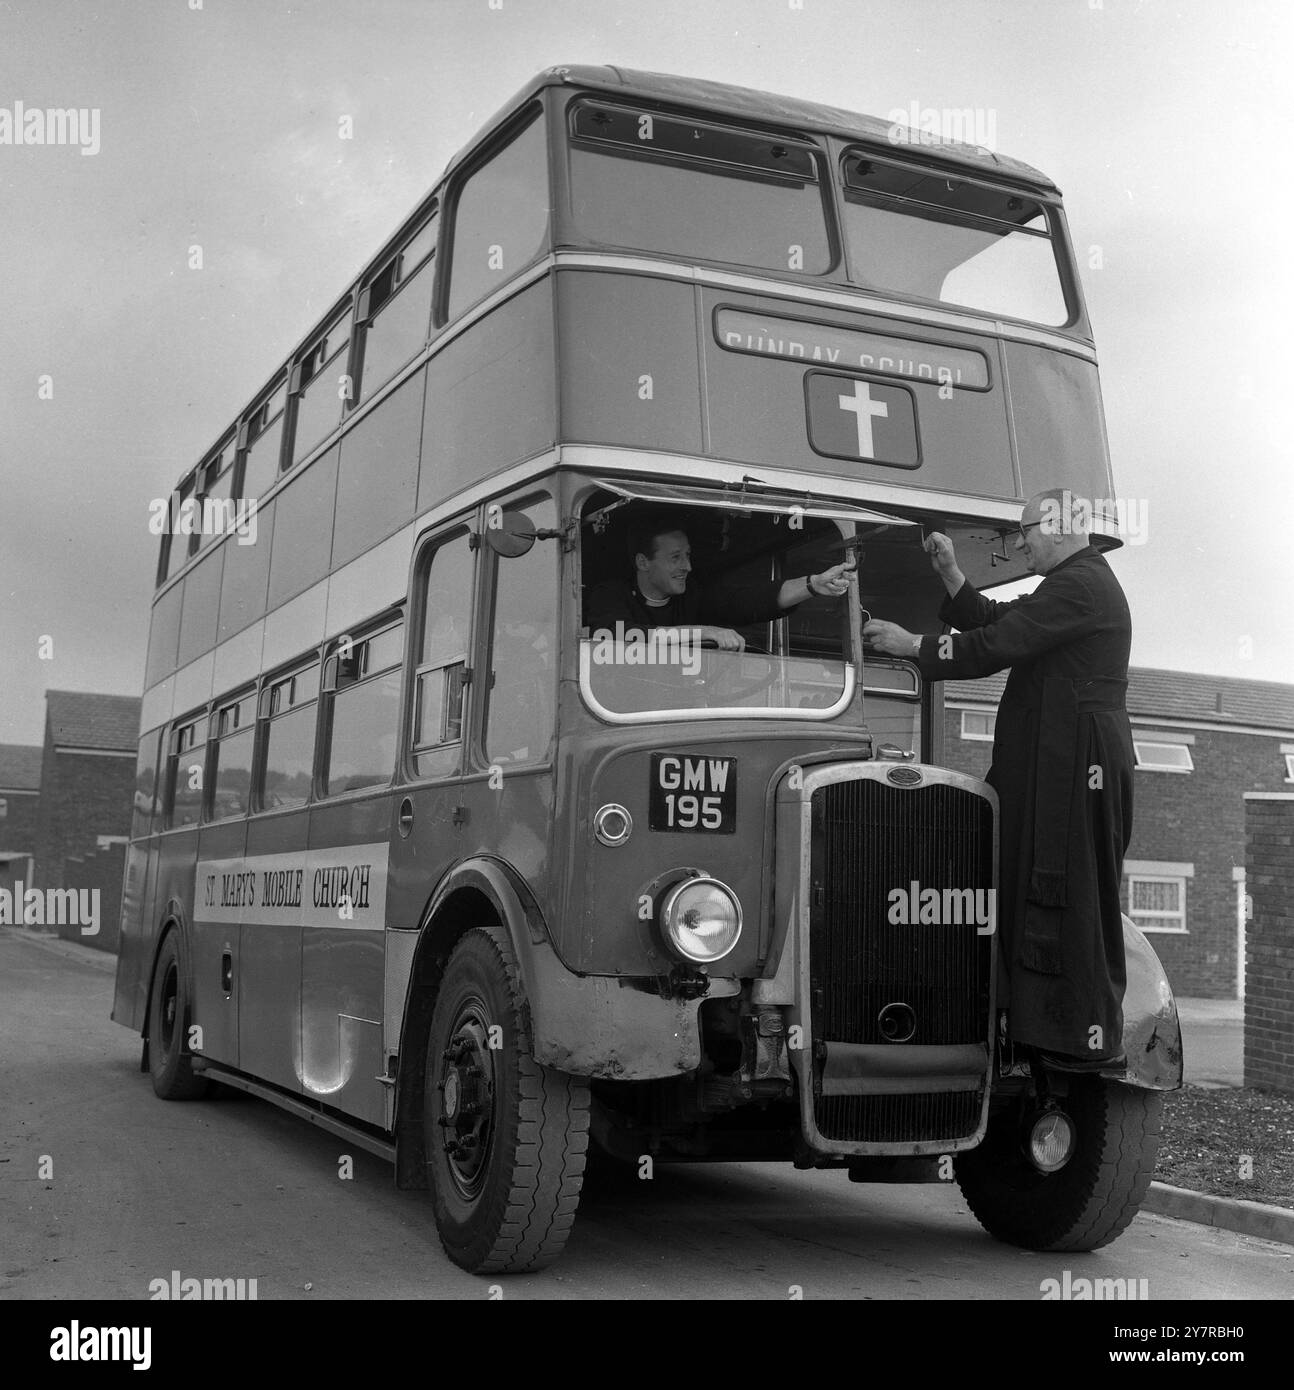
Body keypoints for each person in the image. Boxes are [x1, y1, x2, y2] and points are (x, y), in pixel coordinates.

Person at [863, 489, 1134, 1069]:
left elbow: (996, 645)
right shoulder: (1071, 584)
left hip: (1071, 769)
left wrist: (914, 646)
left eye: (1025, 532)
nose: (1021, 544)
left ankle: (1066, 1041)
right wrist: (953, 575)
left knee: (1070, 891)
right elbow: (1001, 620)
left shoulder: (1082, 585)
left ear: (1060, 527)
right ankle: (1034, 1028)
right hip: (1054, 763)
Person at [583, 512, 855, 647]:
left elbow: (747, 601)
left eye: (688, 556)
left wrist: (813, 584)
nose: (687, 566)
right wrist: (706, 632)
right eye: (675, 557)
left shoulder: (692, 595)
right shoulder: (609, 595)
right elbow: (617, 634)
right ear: (643, 562)